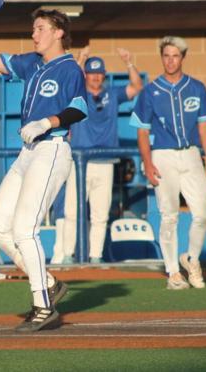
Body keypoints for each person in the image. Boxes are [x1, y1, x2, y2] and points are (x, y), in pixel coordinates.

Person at [0, 4, 86, 331]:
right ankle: (49, 282)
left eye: (40, 29)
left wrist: (46, 122)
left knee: (25, 229)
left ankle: (43, 305)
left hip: (52, 149)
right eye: (34, 29)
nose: (34, 34)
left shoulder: (69, 68)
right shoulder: (32, 63)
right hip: (28, 152)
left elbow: (77, 109)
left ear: (58, 32)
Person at [131, 36, 206, 290]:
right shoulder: (150, 91)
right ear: (162, 58)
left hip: (191, 154)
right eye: (166, 56)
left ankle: (191, 259)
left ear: (183, 58)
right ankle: (173, 273)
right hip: (163, 155)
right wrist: (147, 163)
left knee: (203, 212)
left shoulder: (197, 87)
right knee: (169, 215)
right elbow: (142, 131)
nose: (170, 60)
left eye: (175, 55)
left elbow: (204, 126)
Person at [51, 47, 143, 264]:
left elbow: (136, 87)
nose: (95, 77)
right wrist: (81, 59)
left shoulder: (111, 93)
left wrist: (129, 61)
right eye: (91, 73)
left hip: (106, 161)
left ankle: (95, 257)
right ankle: (67, 255)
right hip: (80, 162)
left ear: (103, 75)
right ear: (86, 74)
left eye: (99, 73)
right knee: (72, 211)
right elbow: (67, 82)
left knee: (100, 214)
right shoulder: (77, 92)